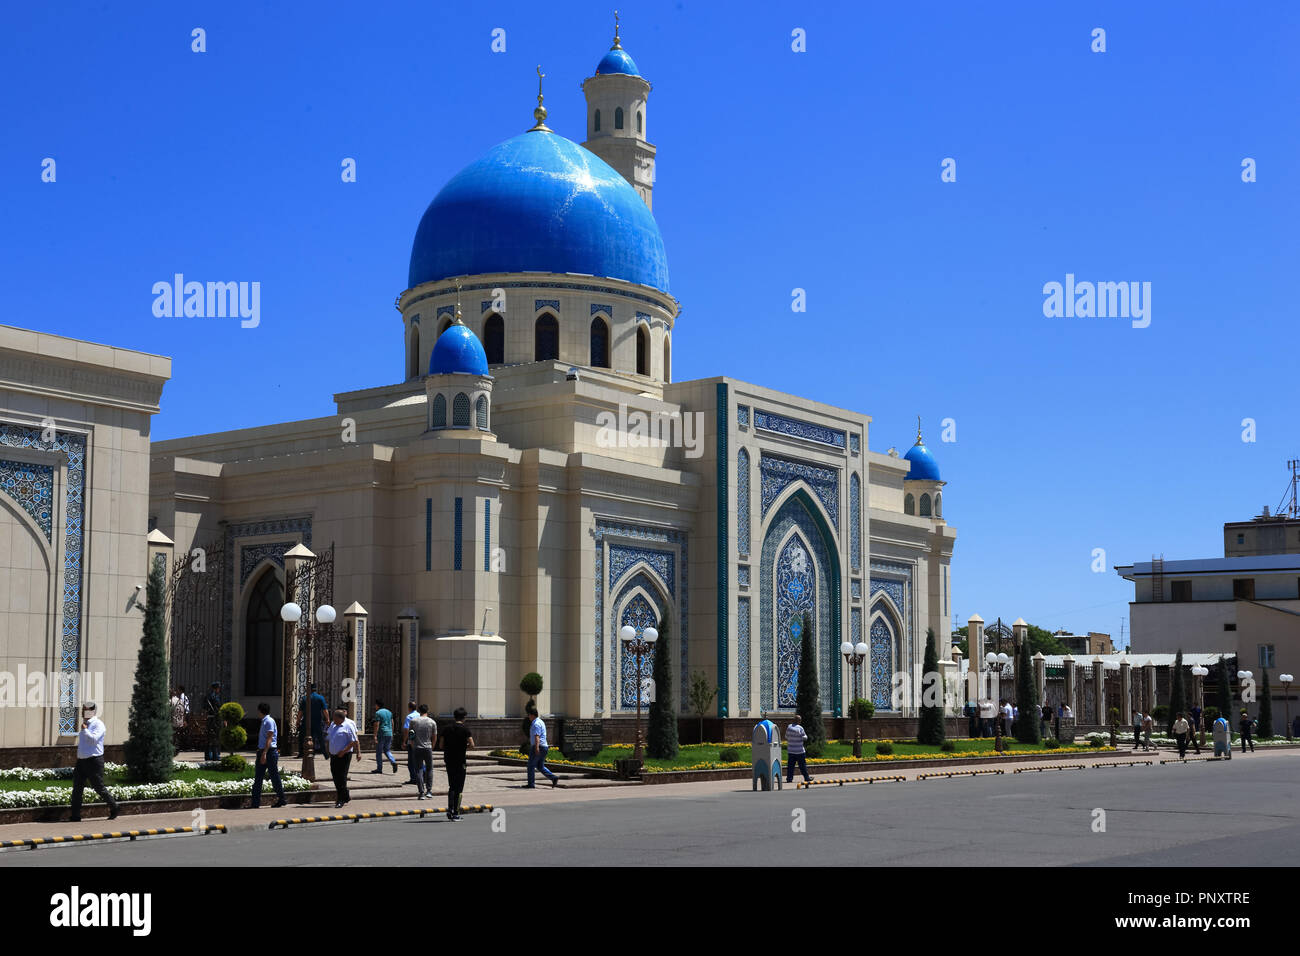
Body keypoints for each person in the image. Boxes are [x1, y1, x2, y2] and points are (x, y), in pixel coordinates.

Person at [70, 702, 120, 823]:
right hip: (81, 762)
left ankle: (114, 807)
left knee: (98, 788)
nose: (83, 712)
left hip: (94, 761)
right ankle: (75, 816)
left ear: (92, 711)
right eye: (83, 710)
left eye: (86, 710)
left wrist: (85, 730)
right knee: (77, 789)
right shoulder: (85, 724)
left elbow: (93, 740)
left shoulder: (98, 724)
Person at [250, 702, 287, 809]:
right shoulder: (265, 721)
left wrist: (264, 753)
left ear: (260, 711)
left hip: (269, 752)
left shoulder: (269, 721)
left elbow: (269, 738)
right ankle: (255, 803)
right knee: (258, 777)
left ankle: (282, 799)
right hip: (263, 751)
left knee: (274, 777)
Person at [441, 707, 475, 820]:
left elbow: (441, 745)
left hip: (449, 760)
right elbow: (472, 745)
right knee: (459, 788)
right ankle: (456, 812)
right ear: (464, 717)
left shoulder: (446, 729)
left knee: (451, 786)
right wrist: (463, 747)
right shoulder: (465, 730)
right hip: (460, 761)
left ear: (454, 716)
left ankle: (450, 809)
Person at [325, 708, 362, 808]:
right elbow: (329, 737)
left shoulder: (348, 725)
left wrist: (344, 751)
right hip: (334, 755)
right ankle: (345, 794)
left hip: (344, 755)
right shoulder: (333, 725)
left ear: (341, 718)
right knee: (335, 775)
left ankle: (340, 799)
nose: (333, 720)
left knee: (341, 776)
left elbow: (353, 741)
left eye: (335, 718)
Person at [408, 704, 437, 799]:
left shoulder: (414, 721)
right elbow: (434, 737)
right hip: (428, 747)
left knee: (419, 770)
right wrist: (432, 747)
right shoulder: (432, 722)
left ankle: (421, 792)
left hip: (417, 747)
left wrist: (412, 745)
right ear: (427, 710)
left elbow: (411, 735)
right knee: (429, 769)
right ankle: (429, 791)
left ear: (419, 711)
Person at [526, 706, 558, 788]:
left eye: (528, 715)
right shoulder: (541, 721)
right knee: (540, 766)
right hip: (544, 747)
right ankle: (553, 778)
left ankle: (531, 784)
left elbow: (537, 736)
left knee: (530, 765)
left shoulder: (536, 724)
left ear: (532, 715)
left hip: (538, 746)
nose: (528, 717)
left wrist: (536, 748)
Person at [298, 683, 329, 757]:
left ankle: (302, 753)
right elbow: (325, 710)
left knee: (303, 737)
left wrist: (298, 720)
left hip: (307, 721)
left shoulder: (305, 698)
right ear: (315, 689)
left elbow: (300, 712)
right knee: (320, 737)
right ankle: (325, 754)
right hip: (317, 721)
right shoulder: (320, 698)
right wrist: (327, 719)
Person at [371, 699, 399, 774]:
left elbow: (377, 724)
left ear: (378, 705)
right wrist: (392, 732)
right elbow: (392, 723)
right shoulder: (389, 712)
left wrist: (375, 735)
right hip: (389, 733)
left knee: (379, 752)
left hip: (382, 733)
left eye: (375, 705)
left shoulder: (378, 713)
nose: (374, 706)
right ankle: (393, 761)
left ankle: (379, 768)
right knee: (387, 750)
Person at [785, 714, 811, 784]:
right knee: (802, 765)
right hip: (799, 751)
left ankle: (789, 779)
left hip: (791, 750)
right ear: (799, 721)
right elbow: (805, 737)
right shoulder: (800, 728)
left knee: (790, 766)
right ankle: (806, 777)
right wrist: (803, 737)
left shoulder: (789, 727)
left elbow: (786, 736)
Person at [400, 700, 419, 786]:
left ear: (409, 708)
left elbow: (407, 730)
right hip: (420, 741)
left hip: (412, 741)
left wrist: (404, 741)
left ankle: (413, 778)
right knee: (419, 760)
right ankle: (422, 776)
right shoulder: (419, 715)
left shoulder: (409, 717)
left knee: (411, 762)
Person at [203, 682, 222, 761]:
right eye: (218, 688)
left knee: (209, 738)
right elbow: (218, 708)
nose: (219, 690)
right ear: (216, 688)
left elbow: (204, 707)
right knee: (215, 738)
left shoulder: (207, 696)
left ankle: (208, 755)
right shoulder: (215, 697)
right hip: (215, 719)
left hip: (209, 718)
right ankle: (215, 755)